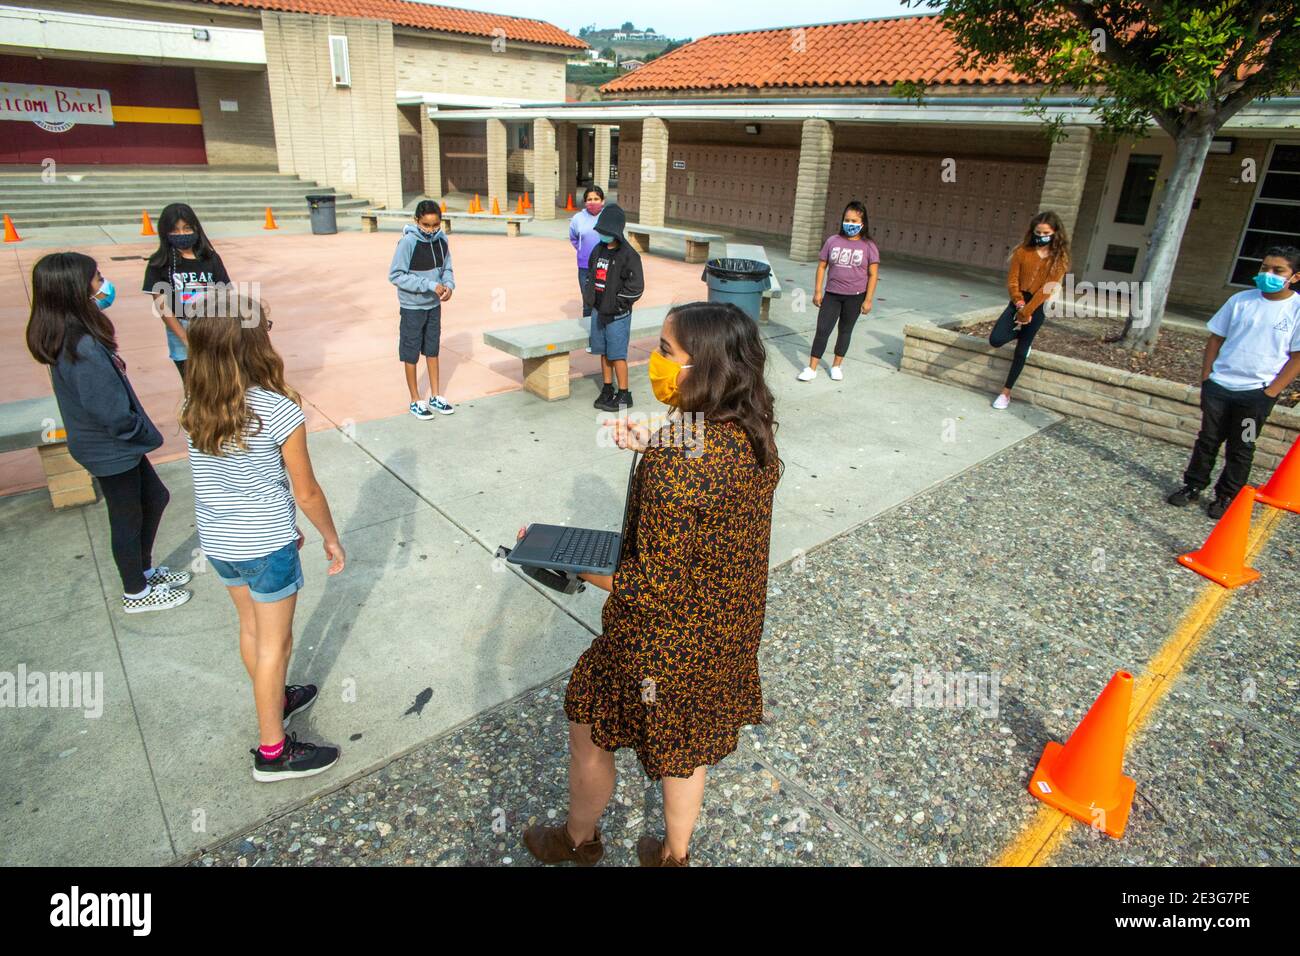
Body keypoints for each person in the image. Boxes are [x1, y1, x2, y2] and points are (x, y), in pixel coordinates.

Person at [522, 301, 781, 867]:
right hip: (723, 634)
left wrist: (565, 562)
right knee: (683, 749)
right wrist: (656, 442)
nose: (653, 361)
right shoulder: (752, 433)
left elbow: (647, 586)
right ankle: (674, 855)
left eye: (666, 352)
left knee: (589, 727)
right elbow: (705, 485)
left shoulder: (678, 469)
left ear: (706, 367)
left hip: (657, 643)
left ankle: (576, 842)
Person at [180, 290, 346, 782]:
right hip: (266, 545)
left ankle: (273, 696)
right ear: (252, 343)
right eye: (267, 327)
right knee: (277, 642)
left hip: (219, 541)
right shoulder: (277, 409)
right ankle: (272, 750)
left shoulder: (196, 404)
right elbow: (308, 491)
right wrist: (330, 537)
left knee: (251, 629)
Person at [26, 252, 192, 613]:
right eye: (97, 279)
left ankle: (144, 570)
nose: (104, 285)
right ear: (74, 290)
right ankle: (136, 591)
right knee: (127, 515)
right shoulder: (80, 347)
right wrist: (135, 431)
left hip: (115, 445)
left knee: (155, 497)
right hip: (111, 447)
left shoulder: (77, 334)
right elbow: (110, 411)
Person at [1168, 246, 1300, 519]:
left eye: (1278, 271)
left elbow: (1297, 358)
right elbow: (1215, 339)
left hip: (1255, 396)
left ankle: (1227, 495)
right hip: (1219, 388)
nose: (1268, 274)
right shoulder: (1241, 300)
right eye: (1265, 268)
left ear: (1295, 277)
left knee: (1242, 445)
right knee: (1208, 439)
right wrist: (1208, 379)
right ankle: (1193, 485)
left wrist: (1270, 393)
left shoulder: (1296, 310)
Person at [987, 211, 1070, 409]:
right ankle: (1019, 334)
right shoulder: (1022, 251)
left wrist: (1028, 312)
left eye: (1046, 232)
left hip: (1038, 305)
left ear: (1055, 233)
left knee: (1022, 350)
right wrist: (1019, 304)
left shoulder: (1060, 258)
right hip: (1018, 301)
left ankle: (1006, 393)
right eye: (1038, 232)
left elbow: (1046, 289)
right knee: (996, 339)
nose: (1041, 235)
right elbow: (1012, 280)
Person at [142, 203, 231, 382]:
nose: (182, 234)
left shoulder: (210, 258)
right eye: (175, 230)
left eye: (187, 228)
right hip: (182, 329)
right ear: (165, 232)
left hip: (212, 327)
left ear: (196, 228)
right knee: (194, 386)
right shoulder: (159, 263)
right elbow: (162, 306)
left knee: (220, 381)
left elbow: (225, 294)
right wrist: (184, 337)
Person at [798, 200, 880, 382]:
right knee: (823, 330)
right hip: (832, 295)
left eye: (854, 221)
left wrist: (868, 300)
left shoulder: (869, 246)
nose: (850, 224)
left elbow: (873, 274)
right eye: (847, 220)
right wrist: (818, 291)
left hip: (855, 297)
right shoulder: (832, 241)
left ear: (862, 223)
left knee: (845, 331)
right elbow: (821, 267)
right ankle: (811, 368)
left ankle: (836, 366)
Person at [389, 199, 456, 420]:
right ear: (416, 221)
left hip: (433, 305)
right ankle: (416, 399)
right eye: (426, 225)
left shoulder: (442, 239)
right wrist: (428, 285)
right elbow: (396, 275)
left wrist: (449, 286)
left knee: (432, 349)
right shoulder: (408, 242)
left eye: (435, 224)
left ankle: (436, 396)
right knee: (411, 352)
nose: (431, 230)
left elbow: (447, 268)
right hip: (412, 307)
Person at [583, 203, 644, 412]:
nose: (603, 235)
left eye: (607, 232)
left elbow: (636, 288)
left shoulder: (629, 255)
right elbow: (590, 274)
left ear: (616, 231)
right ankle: (607, 388)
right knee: (603, 352)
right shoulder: (598, 249)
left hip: (617, 315)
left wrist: (617, 303)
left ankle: (624, 394)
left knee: (617, 354)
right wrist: (590, 296)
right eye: (601, 231)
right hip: (599, 312)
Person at [569, 184, 605, 325]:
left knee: (603, 301)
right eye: (589, 199)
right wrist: (582, 251)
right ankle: (589, 335)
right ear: (585, 202)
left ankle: (600, 333)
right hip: (584, 266)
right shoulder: (578, 218)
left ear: (603, 201)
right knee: (588, 302)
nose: (593, 202)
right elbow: (573, 238)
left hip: (604, 265)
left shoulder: (607, 217)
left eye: (596, 199)